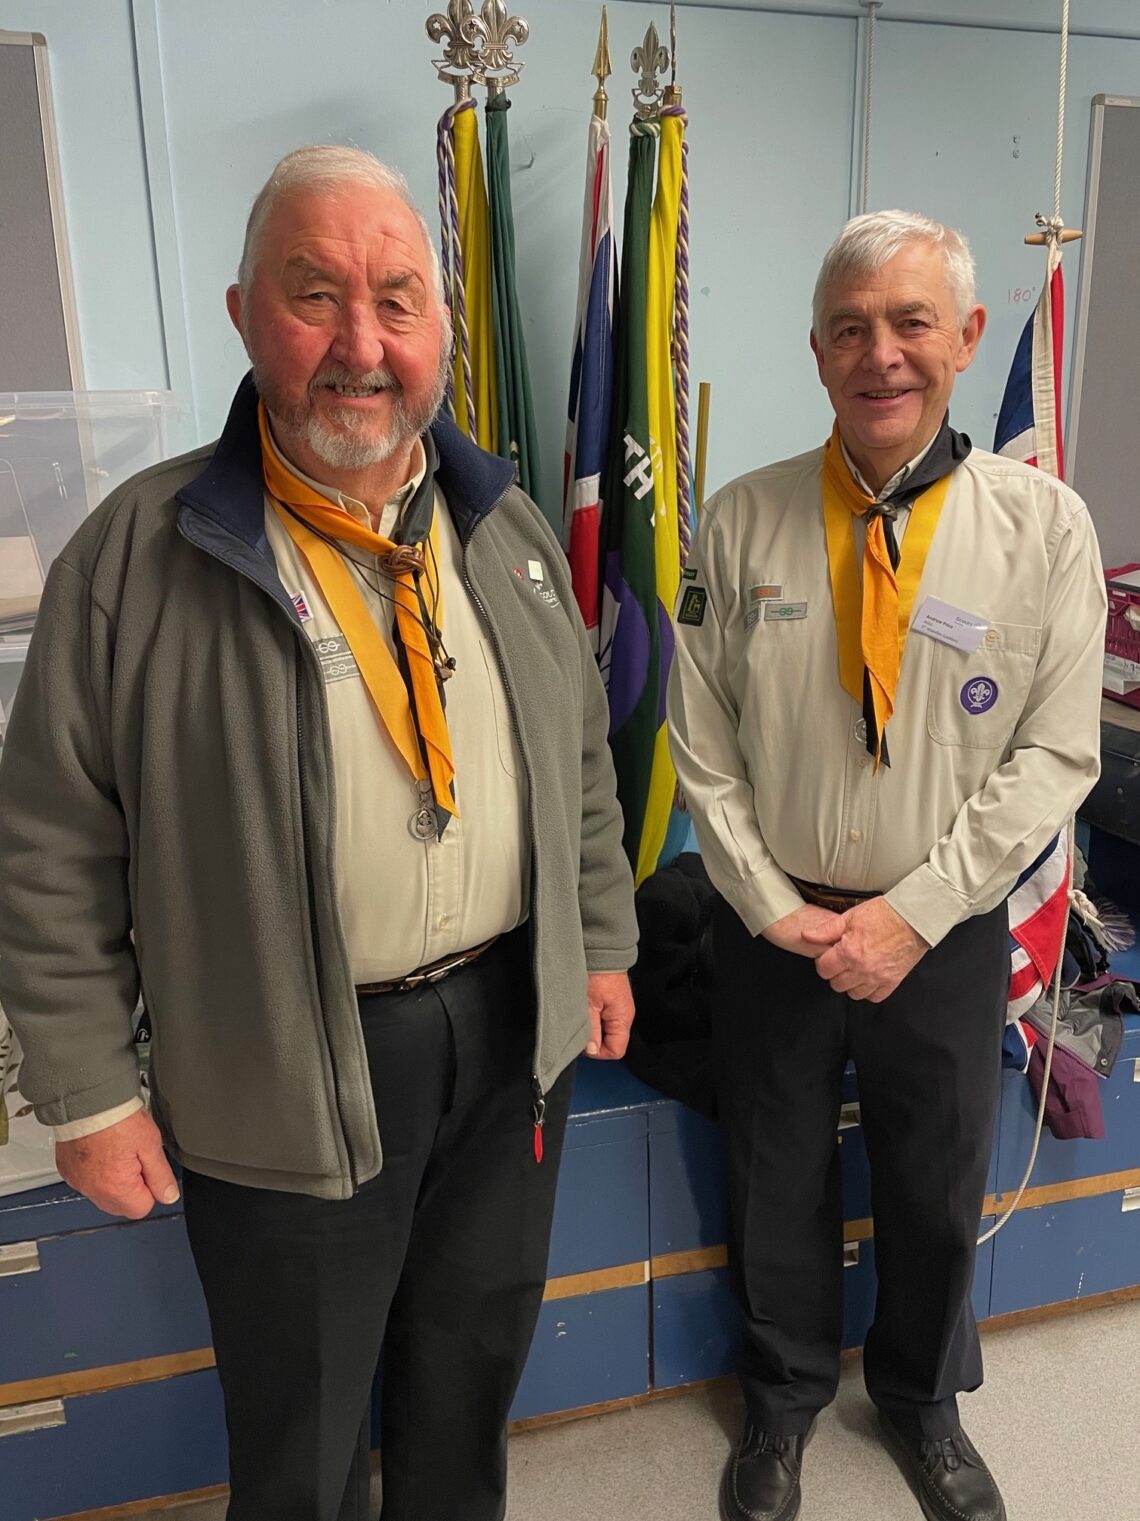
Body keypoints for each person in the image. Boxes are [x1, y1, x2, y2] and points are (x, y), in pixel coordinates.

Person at [0, 145, 637, 1521]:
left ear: (442, 331)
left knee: (466, 1384)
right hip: (282, 1065)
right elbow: (50, 841)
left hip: (505, 1039)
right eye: (316, 296)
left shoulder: (503, 526)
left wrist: (600, 943)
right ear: (244, 315)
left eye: (397, 300)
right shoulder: (137, 556)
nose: (362, 343)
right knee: (303, 1431)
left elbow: (577, 760)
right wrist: (91, 1089)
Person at [667, 210, 1106, 1521]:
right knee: (776, 1171)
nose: (883, 352)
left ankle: (922, 1398)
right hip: (775, 928)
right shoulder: (739, 521)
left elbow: (1055, 754)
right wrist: (776, 908)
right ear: (816, 352)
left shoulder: (1043, 528)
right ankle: (783, 1400)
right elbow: (703, 749)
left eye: (912, 322)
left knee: (933, 1174)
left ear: (967, 339)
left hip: (948, 928)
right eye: (852, 327)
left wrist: (911, 916)